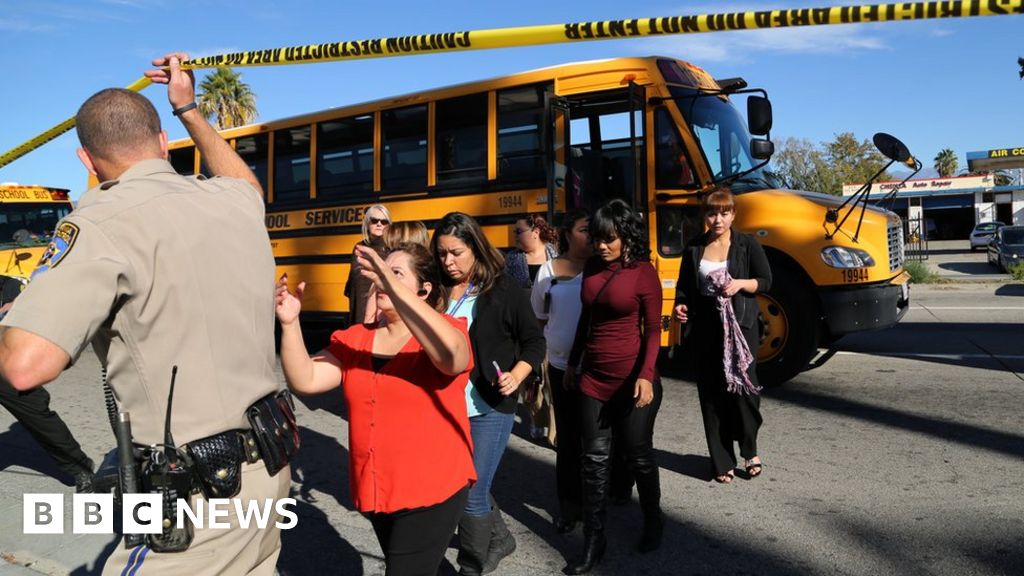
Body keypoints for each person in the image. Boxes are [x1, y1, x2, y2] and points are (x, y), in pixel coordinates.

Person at [0, 53, 291, 574]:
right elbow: (248, 184)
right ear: (161, 143)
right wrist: (189, 109)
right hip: (265, 471)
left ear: (86, 160)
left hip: (194, 499)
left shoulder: (99, 224)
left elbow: (25, 365)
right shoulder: (232, 202)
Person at [276, 242, 475, 576]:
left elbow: (454, 357)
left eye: (396, 273)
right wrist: (290, 322)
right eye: (380, 273)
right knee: (421, 564)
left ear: (423, 290)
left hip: (432, 487)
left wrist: (391, 284)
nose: (382, 281)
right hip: (378, 488)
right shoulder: (355, 339)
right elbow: (306, 379)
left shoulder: (447, 330)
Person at [431, 212, 546, 576]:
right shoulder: (433, 289)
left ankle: (472, 565)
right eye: (442, 253)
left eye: (456, 253)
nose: (448, 262)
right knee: (461, 483)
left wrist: (518, 374)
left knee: (472, 494)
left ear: (476, 249)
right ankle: (498, 537)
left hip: (489, 406)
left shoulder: (503, 290)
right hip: (445, 407)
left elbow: (534, 342)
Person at [563, 199, 664, 574]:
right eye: (597, 238)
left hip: (633, 379)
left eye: (609, 239)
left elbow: (653, 330)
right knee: (593, 461)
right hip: (593, 378)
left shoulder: (643, 272)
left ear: (626, 237)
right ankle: (594, 540)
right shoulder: (591, 267)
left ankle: (654, 519)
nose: (601, 246)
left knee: (638, 454)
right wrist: (574, 362)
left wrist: (646, 375)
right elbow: (585, 319)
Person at [673, 188, 771, 484]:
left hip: (741, 328)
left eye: (724, 213)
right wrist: (681, 305)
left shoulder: (747, 244)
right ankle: (721, 459)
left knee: (746, 390)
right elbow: (684, 287)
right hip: (705, 329)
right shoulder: (693, 248)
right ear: (705, 215)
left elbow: (766, 281)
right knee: (712, 396)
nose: (718, 219)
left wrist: (740, 283)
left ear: (733, 214)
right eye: (712, 213)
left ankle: (749, 449)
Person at [529, 209, 591, 533]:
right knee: (568, 440)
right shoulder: (548, 271)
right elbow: (539, 316)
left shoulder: (602, 267)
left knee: (594, 440)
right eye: (584, 229)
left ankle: (597, 504)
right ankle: (570, 508)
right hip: (559, 367)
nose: (591, 236)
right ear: (568, 233)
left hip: (596, 370)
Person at [504, 213, 558, 442]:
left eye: (518, 232)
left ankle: (556, 432)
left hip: (552, 327)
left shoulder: (556, 256)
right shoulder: (513, 259)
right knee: (531, 381)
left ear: (535, 232)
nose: (514, 237)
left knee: (553, 381)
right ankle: (537, 418)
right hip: (524, 330)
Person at [347, 204, 391, 324]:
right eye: (374, 220)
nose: (379, 224)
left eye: (384, 221)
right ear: (367, 223)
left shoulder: (391, 250)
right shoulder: (358, 248)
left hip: (381, 317)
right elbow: (351, 288)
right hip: (358, 314)